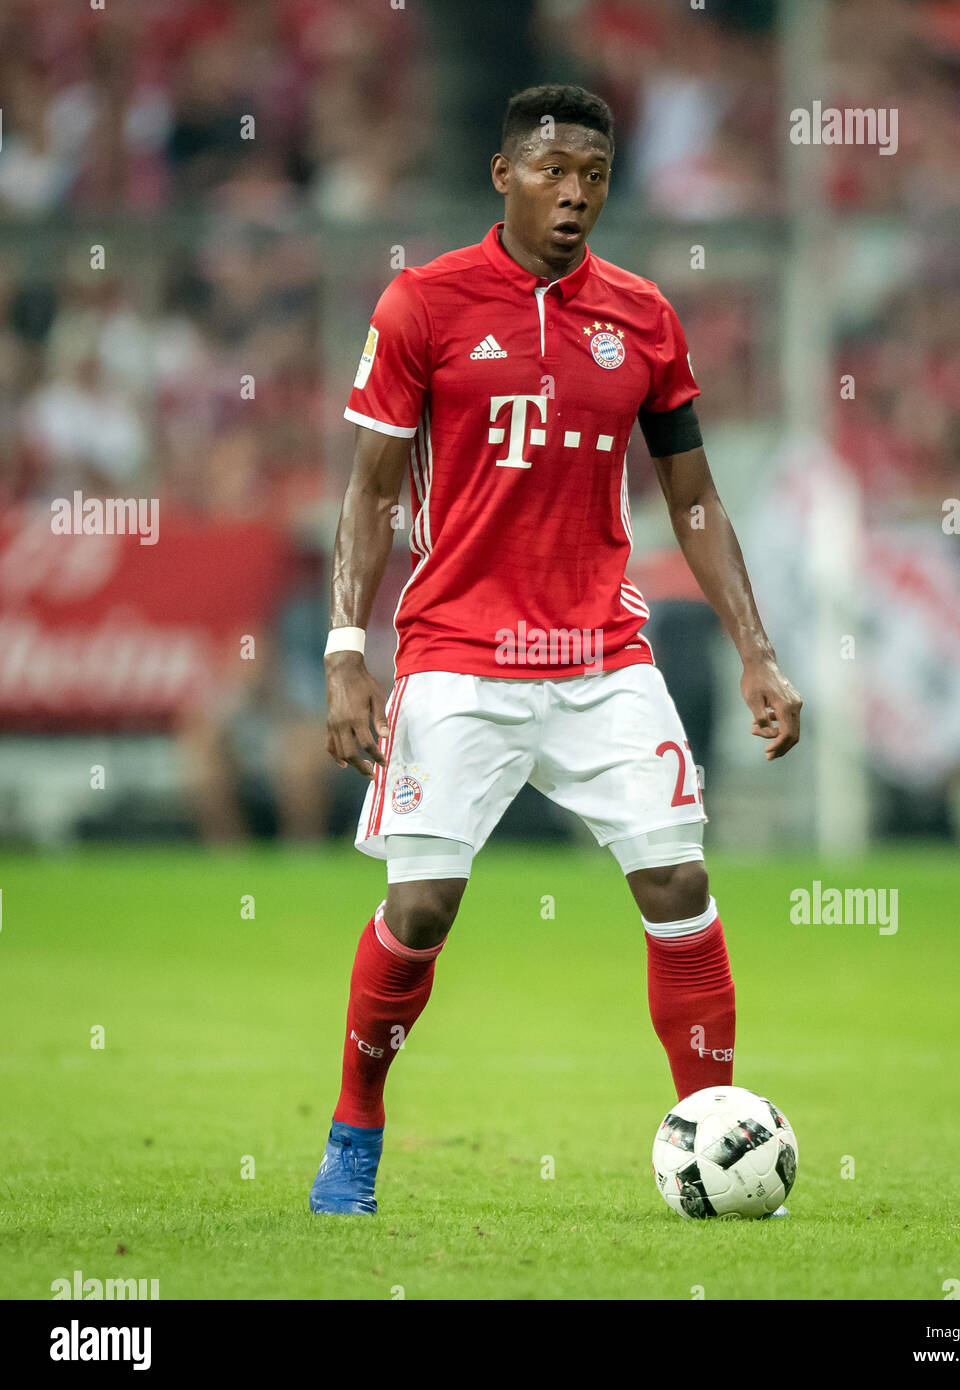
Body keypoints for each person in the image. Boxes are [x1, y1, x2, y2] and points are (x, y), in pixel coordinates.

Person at [309, 85, 802, 1215]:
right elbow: (369, 490)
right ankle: (356, 1127)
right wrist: (346, 650)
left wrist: (757, 652)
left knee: (678, 880)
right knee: (422, 906)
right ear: (502, 173)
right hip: (457, 655)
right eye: (552, 170)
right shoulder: (422, 304)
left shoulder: (642, 315)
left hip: (601, 655)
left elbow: (694, 495)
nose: (574, 193)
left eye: (593, 174)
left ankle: (713, 1134)